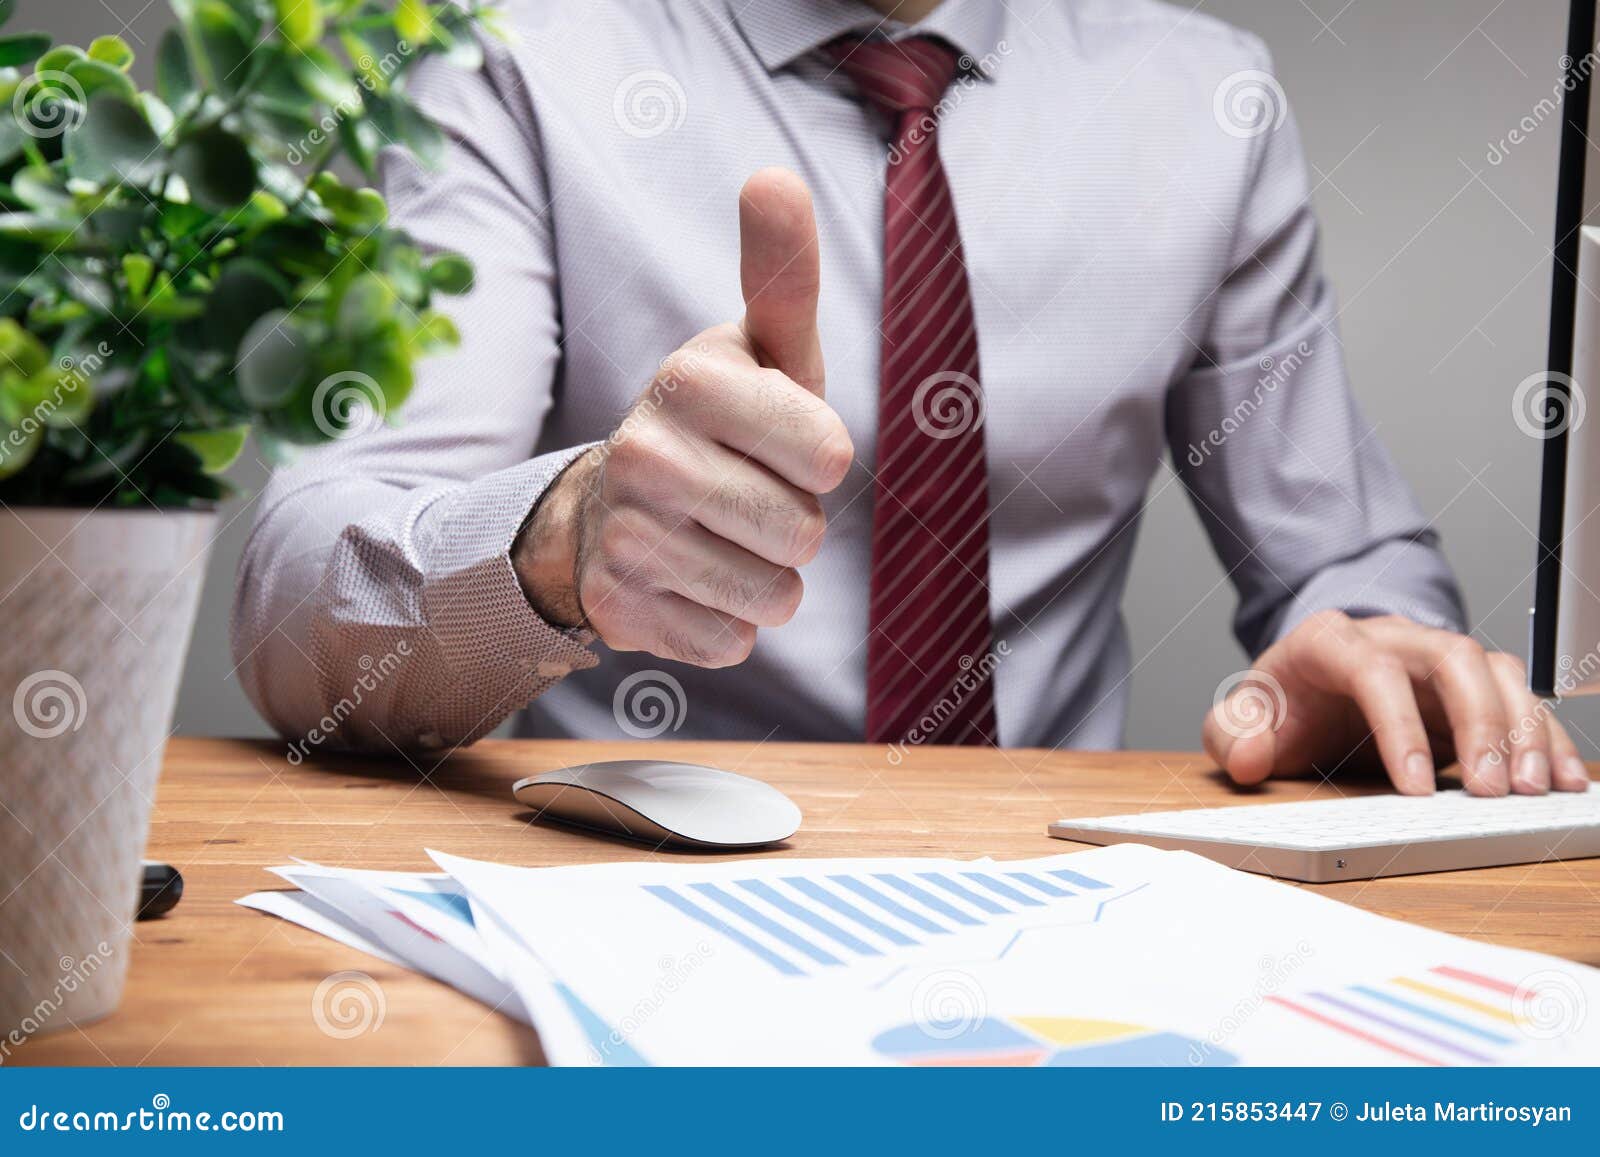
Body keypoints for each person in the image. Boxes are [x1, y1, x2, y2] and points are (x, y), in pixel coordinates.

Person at [232, 0, 1589, 796]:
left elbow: (1344, 563)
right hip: (635, 889)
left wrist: (1370, 667)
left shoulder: (1208, 99)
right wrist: (557, 541)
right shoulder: (509, 57)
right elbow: (295, 608)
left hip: (1066, 918)